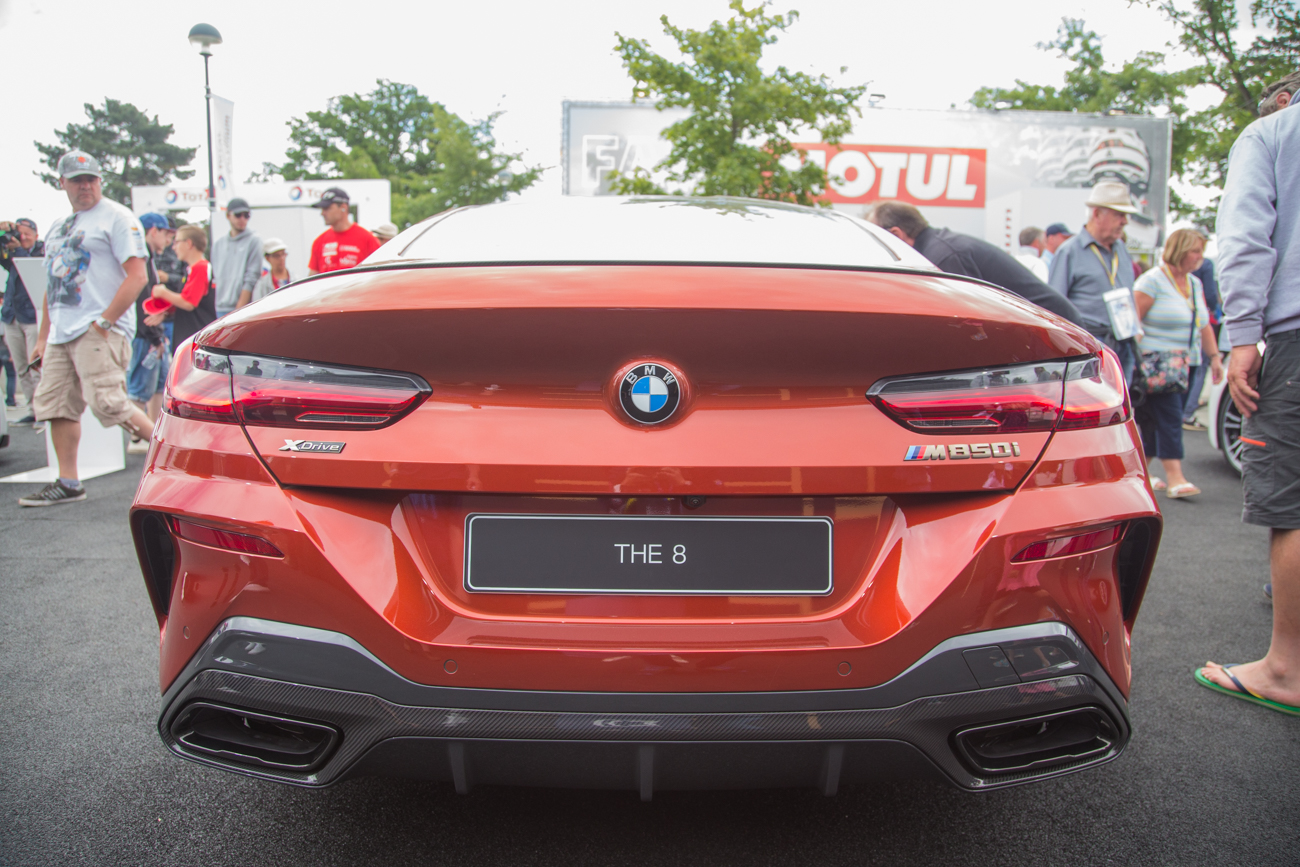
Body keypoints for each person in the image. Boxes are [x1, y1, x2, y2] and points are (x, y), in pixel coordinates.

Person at [1196, 86, 1300, 715]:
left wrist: (1242, 341)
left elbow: (1243, 242)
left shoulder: (1271, 133)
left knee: (1292, 505)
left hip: (1294, 336)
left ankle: (1285, 668)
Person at [19, 151, 154, 507]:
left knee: (110, 404)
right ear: (61, 182)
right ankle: (68, 482)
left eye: (91, 179)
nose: (85, 186)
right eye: (77, 179)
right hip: (63, 331)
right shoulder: (59, 226)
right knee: (56, 406)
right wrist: (44, 336)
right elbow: (52, 284)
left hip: (98, 329)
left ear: (100, 181)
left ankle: (182, 463)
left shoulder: (118, 218)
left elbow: (138, 276)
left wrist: (105, 321)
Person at [865, 201, 1083, 325]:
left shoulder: (943, 257)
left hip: (1060, 331)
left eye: (876, 239)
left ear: (896, 234)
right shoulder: (940, 246)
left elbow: (965, 325)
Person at [1134, 229, 1222, 498]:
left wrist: (1215, 357)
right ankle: (1176, 477)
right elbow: (1133, 323)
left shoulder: (1193, 284)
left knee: (1152, 421)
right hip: (1158, 365)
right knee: (1171, 418)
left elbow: (1204, 324)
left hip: (1187, 363)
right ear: (1180, 250)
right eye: (1195, 250)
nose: (1200, 257)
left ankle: (1140, 473)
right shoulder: (1152, 282)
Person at [1046, 181, 1142, 379]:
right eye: (1119, 215)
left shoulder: (1121, 250)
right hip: (1090, 345)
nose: (1125, 221)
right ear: (1097, 214)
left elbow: (1129, 294)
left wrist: (1137, 328)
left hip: (1124, 342)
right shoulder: (1070, 251)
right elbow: (1054, 308)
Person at [125, 213, 173, 451]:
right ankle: (135, 438)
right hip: (144, 335)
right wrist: (154, 334)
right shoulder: (141, 259)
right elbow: (142, 303)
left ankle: (151, 431)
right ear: (153, 231)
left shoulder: (149, 259)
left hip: (151, 334)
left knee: (155, 387)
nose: (168, 239)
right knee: (138, 389)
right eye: (166, 233)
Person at [1, 217, 45, 424]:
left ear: (36, 235)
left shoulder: (41, 251)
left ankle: (43, 410)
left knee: (35, 366)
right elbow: (5, 261)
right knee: (20, 367)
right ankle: (31, 409)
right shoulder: (11, 252)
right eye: (20, 233)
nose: (23, 238)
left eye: (28, 233)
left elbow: (27, 268)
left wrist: (18, 249)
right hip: (12, 317)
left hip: (32, 317)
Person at [145, 225, 214, 352]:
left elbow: (189, 303)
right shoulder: (192, 269)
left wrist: (163, 292)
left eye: (176, 242)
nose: (173, 247)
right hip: (190, 337)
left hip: (196, 339)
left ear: (188, 243)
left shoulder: (200, 267)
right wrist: (166, 312)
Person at [1183, 252, 1223, 431]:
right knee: (1200, 367)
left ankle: (1184, 410)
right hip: (1201, 325)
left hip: (1189, 330)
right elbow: (1211, 296)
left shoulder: (1188, 279)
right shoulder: (1205, 265)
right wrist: (1215, 308)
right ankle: (1188, 412)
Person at [210, 197, 262, 317]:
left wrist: (238, 312)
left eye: (246, 215)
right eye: (238, 215)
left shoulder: (254, 240)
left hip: (243, 309)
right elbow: (216, 277)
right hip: (220, 307)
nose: (242, 219)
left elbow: (251, 278)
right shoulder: (218, 244)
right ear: (228, 215)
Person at [308, 188, 379, 274]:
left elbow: (379, 274)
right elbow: (312, 277)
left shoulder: (367, 239)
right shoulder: (319, 242)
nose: (322, 213)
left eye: (327, 208)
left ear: (343, 208)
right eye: (322, 209)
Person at [250, 238, 291, 303]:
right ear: (267, 258)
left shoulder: (296, 279)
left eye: (283, 254)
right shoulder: (262, 286)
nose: (281, 258)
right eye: (277, 256)